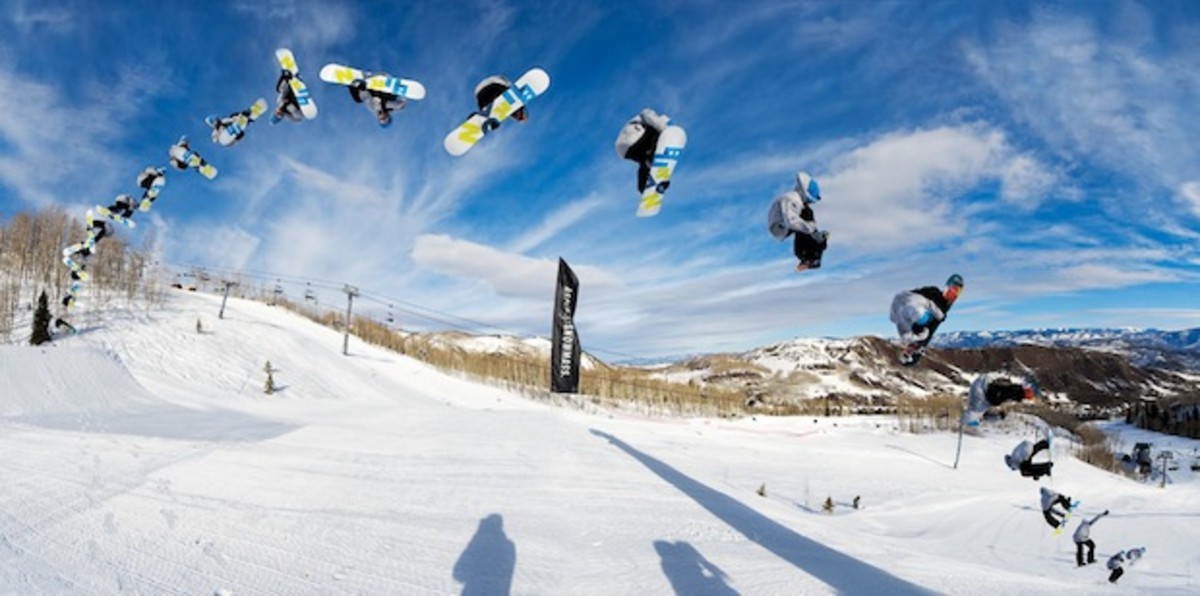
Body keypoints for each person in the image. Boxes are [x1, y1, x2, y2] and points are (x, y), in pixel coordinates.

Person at [767, 171, 830, 271]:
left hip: (783, 222)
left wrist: (816, 235)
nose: (809, 202)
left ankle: (814, 254)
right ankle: (807, 256)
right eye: (809, 200)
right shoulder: (792, 199)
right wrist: (811, 229)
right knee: (806, 217)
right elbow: (791, 221)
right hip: (778, 226)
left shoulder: (797, 200)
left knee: (808, 221)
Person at [889, 274, 963, 346]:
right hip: (913, 308)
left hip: (921, 316)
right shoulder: (933, 290)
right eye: (952, 289)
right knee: (900, 301)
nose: (952, 293)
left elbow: (935, 324)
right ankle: (905, 335)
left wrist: (922, 342)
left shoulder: (942, 307)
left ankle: (911, 336)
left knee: (911, 309)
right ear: (947, 287)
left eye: (956, 292)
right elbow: (917, 292)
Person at [614, 108, 671, 193]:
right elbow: (647, 115)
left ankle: (643, 187)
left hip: (624, 150)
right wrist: (666, 131)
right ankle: (657, 168)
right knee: (656, 137)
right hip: (634, 135)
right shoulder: (649, 115)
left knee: (644, 161)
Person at [964, 373, 1038, 426]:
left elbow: (998, 395)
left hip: (984, 389)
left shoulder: (977, 407)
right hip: (984, 389)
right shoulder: (978, 407)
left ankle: (1022, 392)